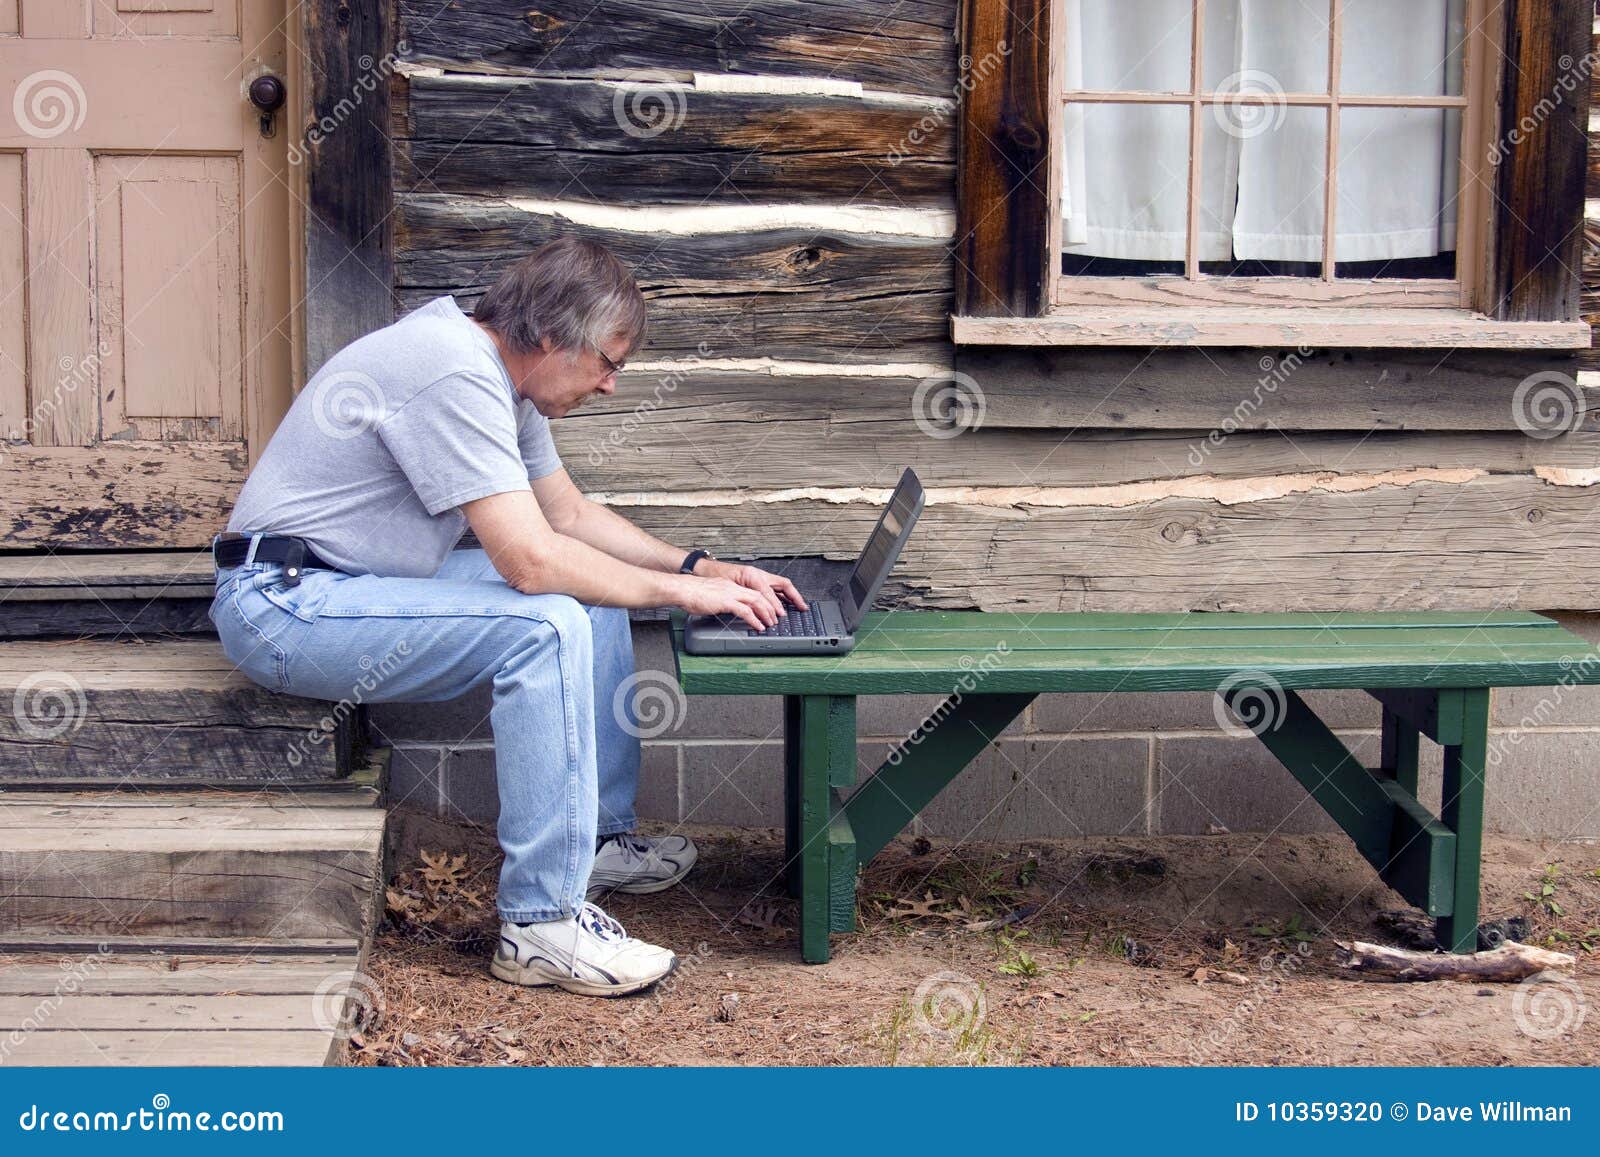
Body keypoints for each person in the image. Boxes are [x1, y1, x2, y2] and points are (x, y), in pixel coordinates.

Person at [210, 238, 804, 997]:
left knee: (590, 599)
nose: (611, 387)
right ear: (554, 337)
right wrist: (686, 599)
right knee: (547, 620)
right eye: (608, 364)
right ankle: (540, 923)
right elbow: (530, 562)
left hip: (344, 584)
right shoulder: (452, 368)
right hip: (283, 604)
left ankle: (594, 844)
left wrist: (697, 568)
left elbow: (570, 516)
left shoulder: (500, 377)